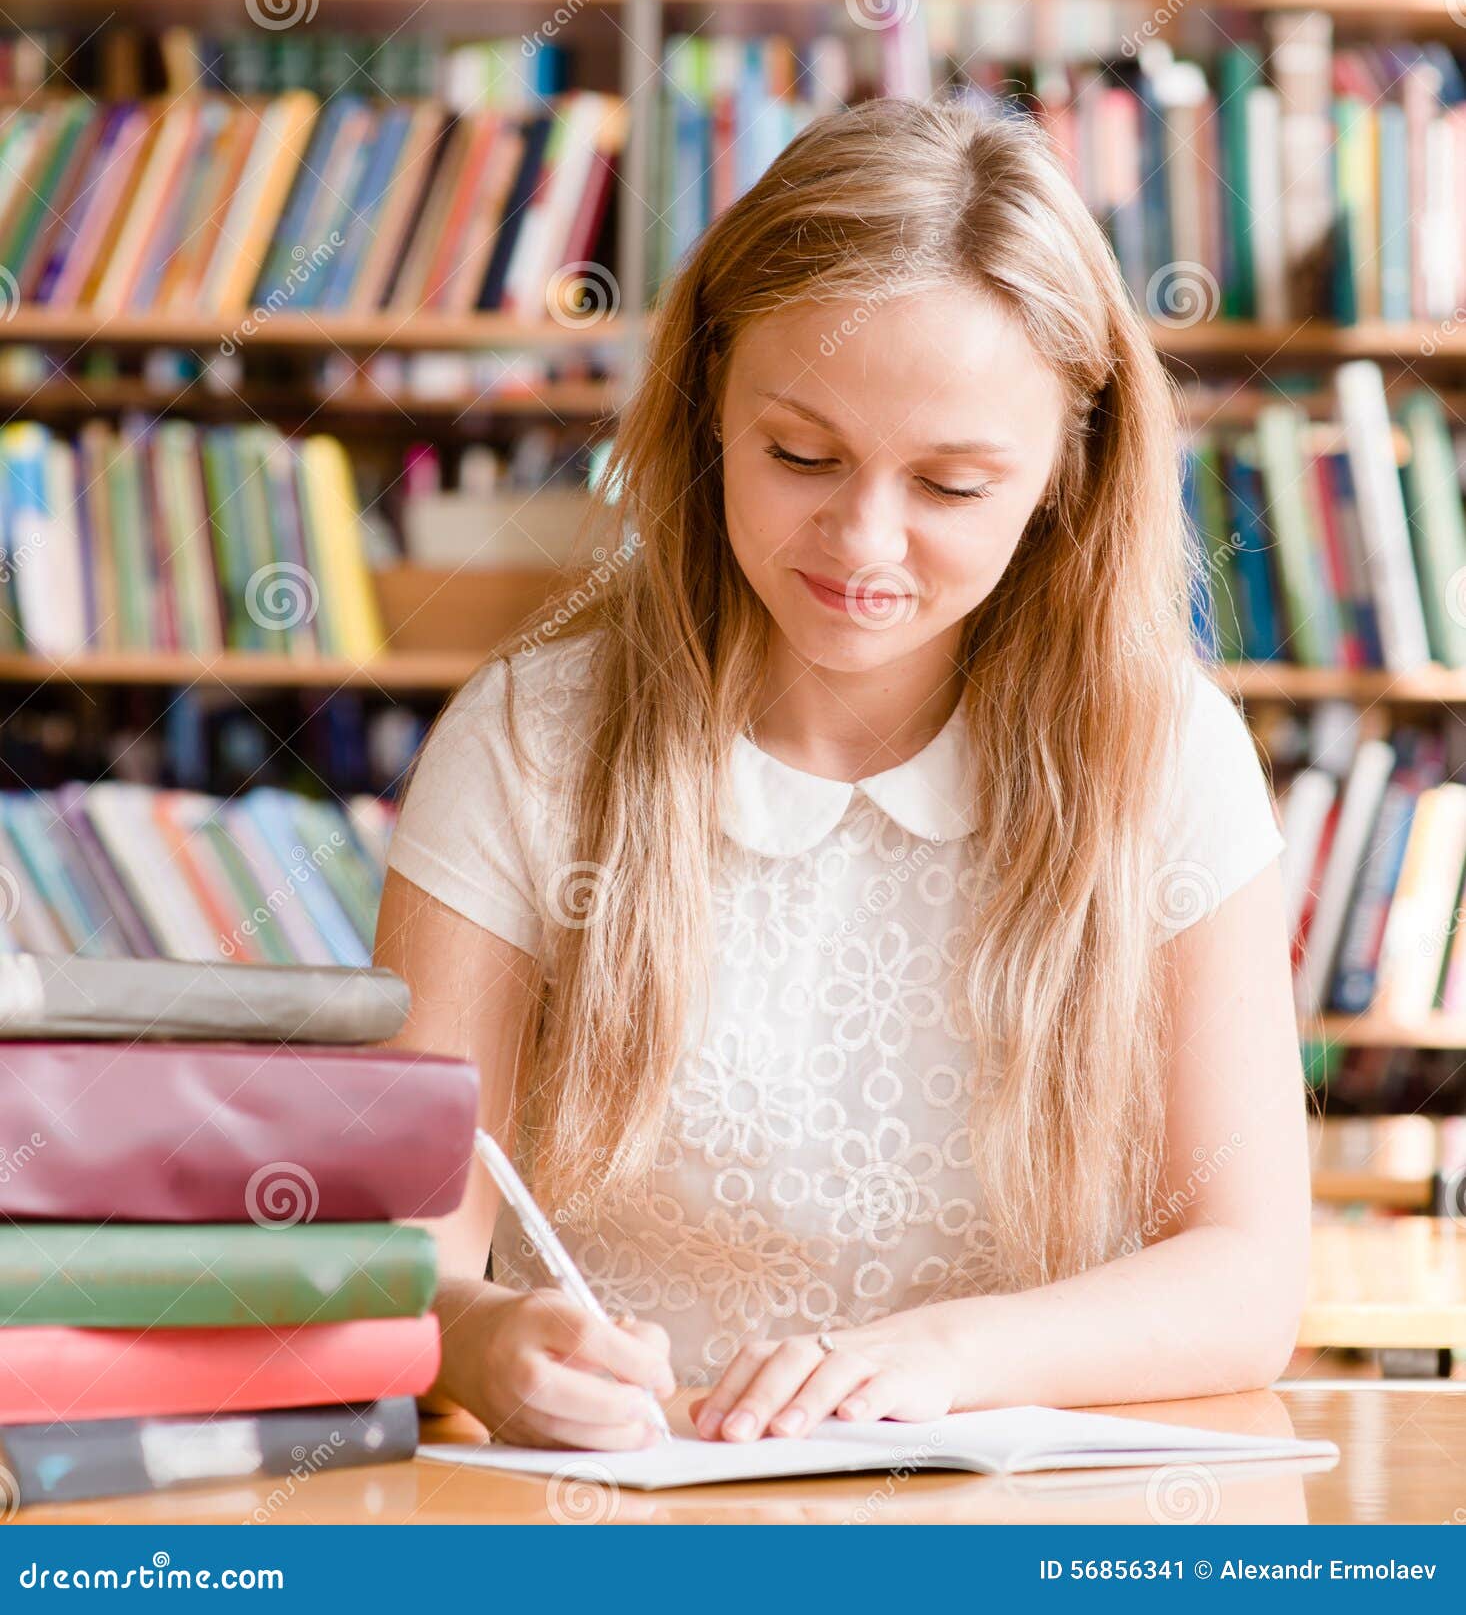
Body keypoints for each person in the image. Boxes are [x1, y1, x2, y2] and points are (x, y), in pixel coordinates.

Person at [374, 95, 1309, 1452]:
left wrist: (936, 1353)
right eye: (800, 455)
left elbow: (1246, 1274)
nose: (862, 541)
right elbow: (409, 1254)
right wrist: (481, 1341)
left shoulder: (1163, 756)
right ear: (707, 405)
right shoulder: (530, 742)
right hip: (626, 1532)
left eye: (951, 485)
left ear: (1065, 469)